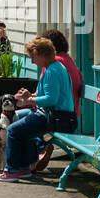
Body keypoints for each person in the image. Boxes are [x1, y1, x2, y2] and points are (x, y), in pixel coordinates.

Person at [0, 37, 73, 182]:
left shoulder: (52, 72)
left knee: (13, 130)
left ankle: (12, 170)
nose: (32, 61)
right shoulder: (54, 67)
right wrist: (29, 95)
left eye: (33, 57)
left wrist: (29, 100)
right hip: (55, 114)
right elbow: (47, 95)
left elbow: (51, 99)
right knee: (17, 117)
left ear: (41, 54)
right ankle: (24, 168)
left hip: (55, 117)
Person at [32, 29, 84, 172]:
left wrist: (30, 99)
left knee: (26, 120)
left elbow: (45, 94)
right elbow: (80, 79)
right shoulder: (69, 60)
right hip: (72, 111)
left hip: (59, 114)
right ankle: (41, 148)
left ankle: (38, 150)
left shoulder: (53, 63)